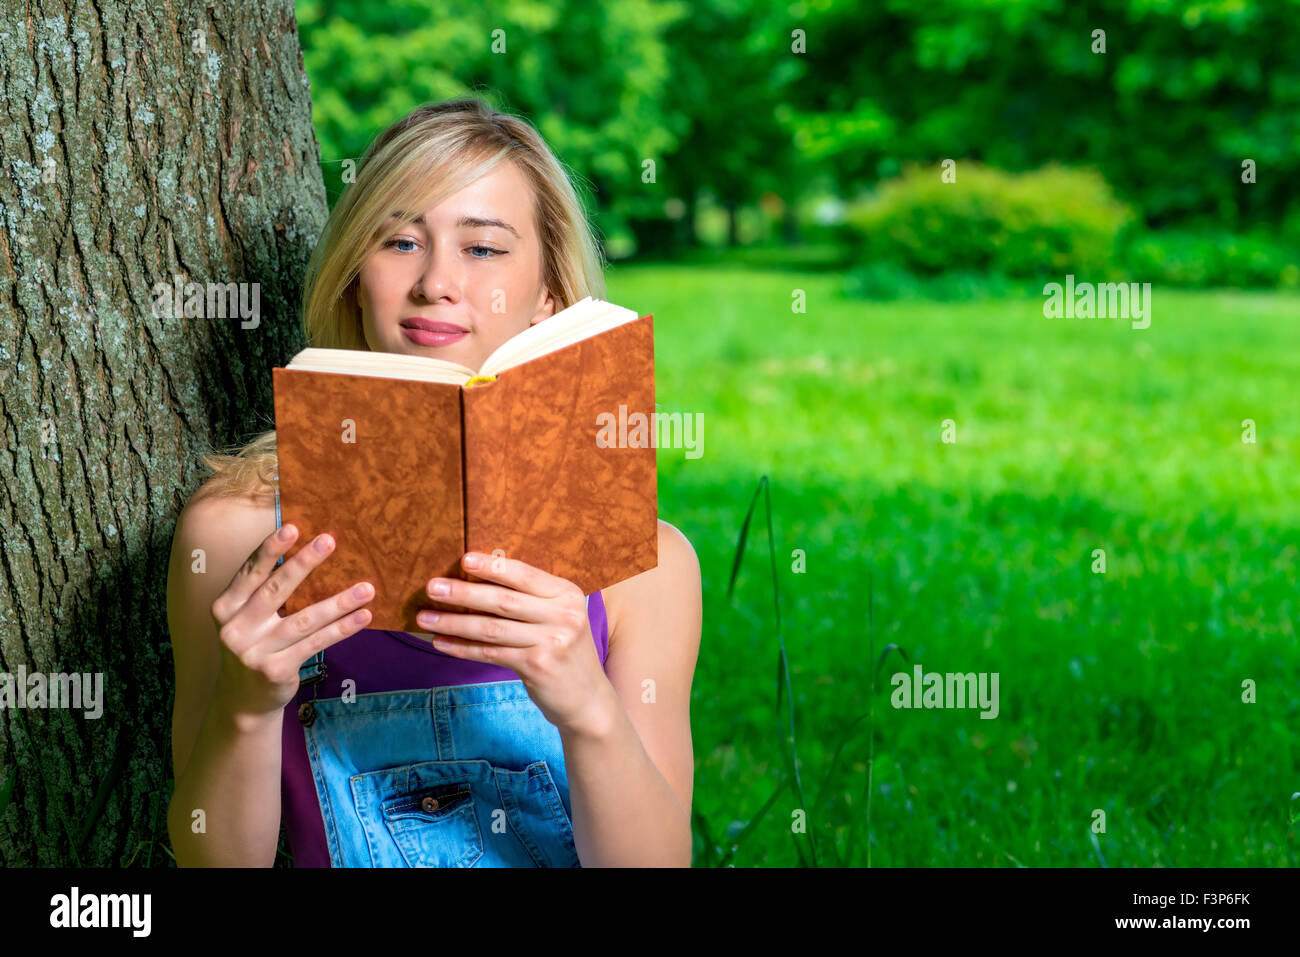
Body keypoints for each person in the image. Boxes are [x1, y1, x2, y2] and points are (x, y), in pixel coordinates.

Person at [165, 97, 702, 867]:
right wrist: (247, 709)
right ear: (356, 277)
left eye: (484, 248)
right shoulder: (237, 536)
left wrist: (588, 707)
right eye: (401, 241)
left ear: (548, 293)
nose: (437, 282)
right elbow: (212, 860)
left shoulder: (646, 567)